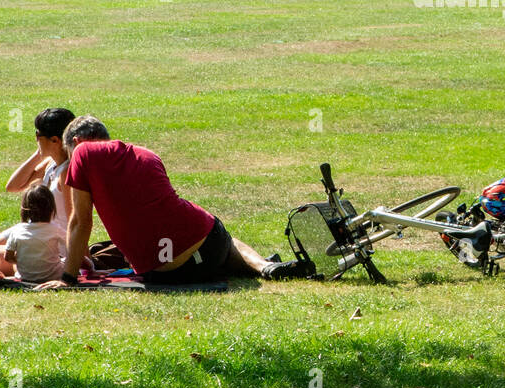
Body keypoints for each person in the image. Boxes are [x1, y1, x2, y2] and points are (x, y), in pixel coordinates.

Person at [36, 116, 307, 289]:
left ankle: (261, 266)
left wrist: (68, 279)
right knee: (218, 235)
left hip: (162, 274)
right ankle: (263, 266)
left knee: (209, 240)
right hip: (206, 250)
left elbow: (80, 220)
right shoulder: (146, 153)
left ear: (76, 141)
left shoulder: (83, 152)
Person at [0, 107, 81, 277]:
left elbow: (76, 219)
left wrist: (77, 259)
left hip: (49, 244)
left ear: (55, 140)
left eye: (38, 135)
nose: (35, 138)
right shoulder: (51, 163)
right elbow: (13, 186)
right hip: (31, 231)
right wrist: (39, 153)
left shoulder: (66, 173)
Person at [4, 184, 68, 284]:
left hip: (26, 277)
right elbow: (72, 246)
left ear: (24, 208)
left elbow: (8, 257)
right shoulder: (55, 229)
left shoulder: (17, 230)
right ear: (51, 208)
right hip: (53, 275)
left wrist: (24, 261)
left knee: (15, 265)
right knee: (66, 261)